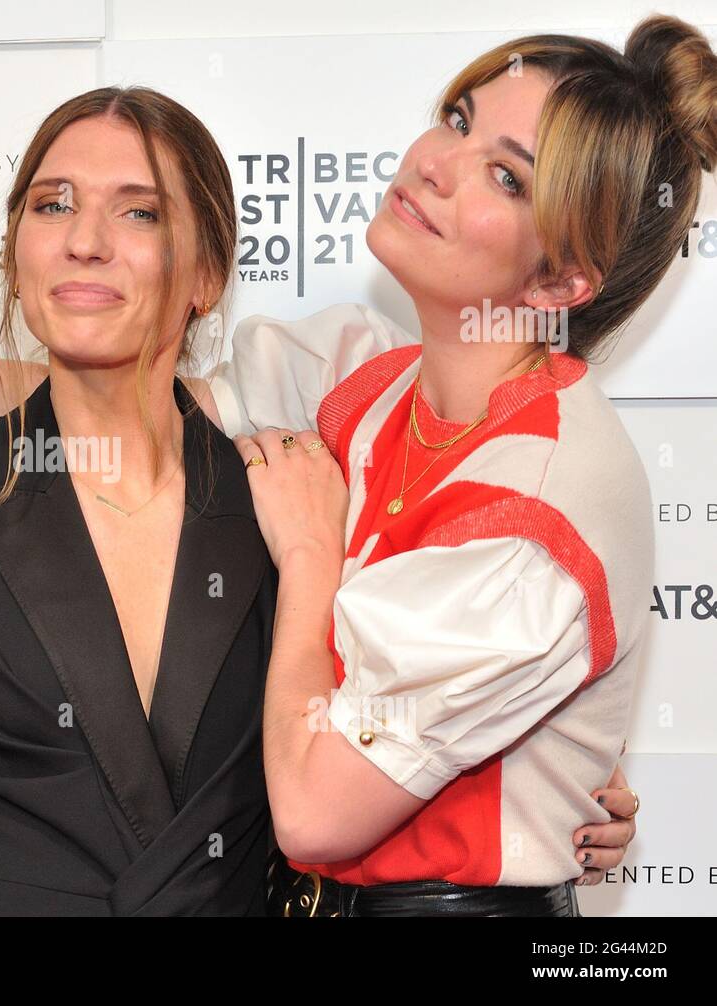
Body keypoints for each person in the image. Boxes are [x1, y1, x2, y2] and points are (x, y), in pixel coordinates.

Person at [0, 76, 643, 913]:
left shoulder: (303, 477)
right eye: (53, 204)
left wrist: (549, 787)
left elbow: (345, 764)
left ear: (205, 278)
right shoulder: (351, 401)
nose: (86, 238)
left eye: (138, 212)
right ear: (17, 249)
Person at [227, 14, 713, 915]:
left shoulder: (543, 499)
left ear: (562, 283)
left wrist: (307, 555)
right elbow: (128, 415)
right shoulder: (366, 384)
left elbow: (313, 813)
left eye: (505, 174)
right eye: (458, 119)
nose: (433, 162)